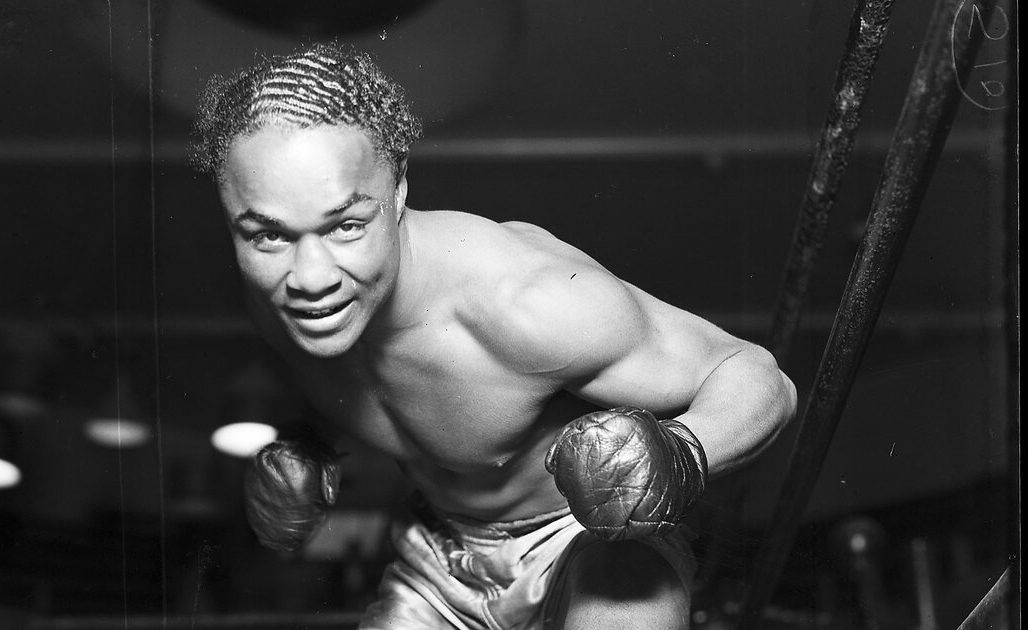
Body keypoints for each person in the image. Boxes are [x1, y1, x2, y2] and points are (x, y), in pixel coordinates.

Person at [192, 43, 797, 629]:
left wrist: (681, 455)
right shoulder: (276, 305)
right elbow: (376, 398)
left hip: (592, 542)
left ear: (398, 192)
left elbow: (757, 376)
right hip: (438, 559)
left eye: (346, 226)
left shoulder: (524, 301)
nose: (311, 278)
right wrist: (305, 447)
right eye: (268, 236)